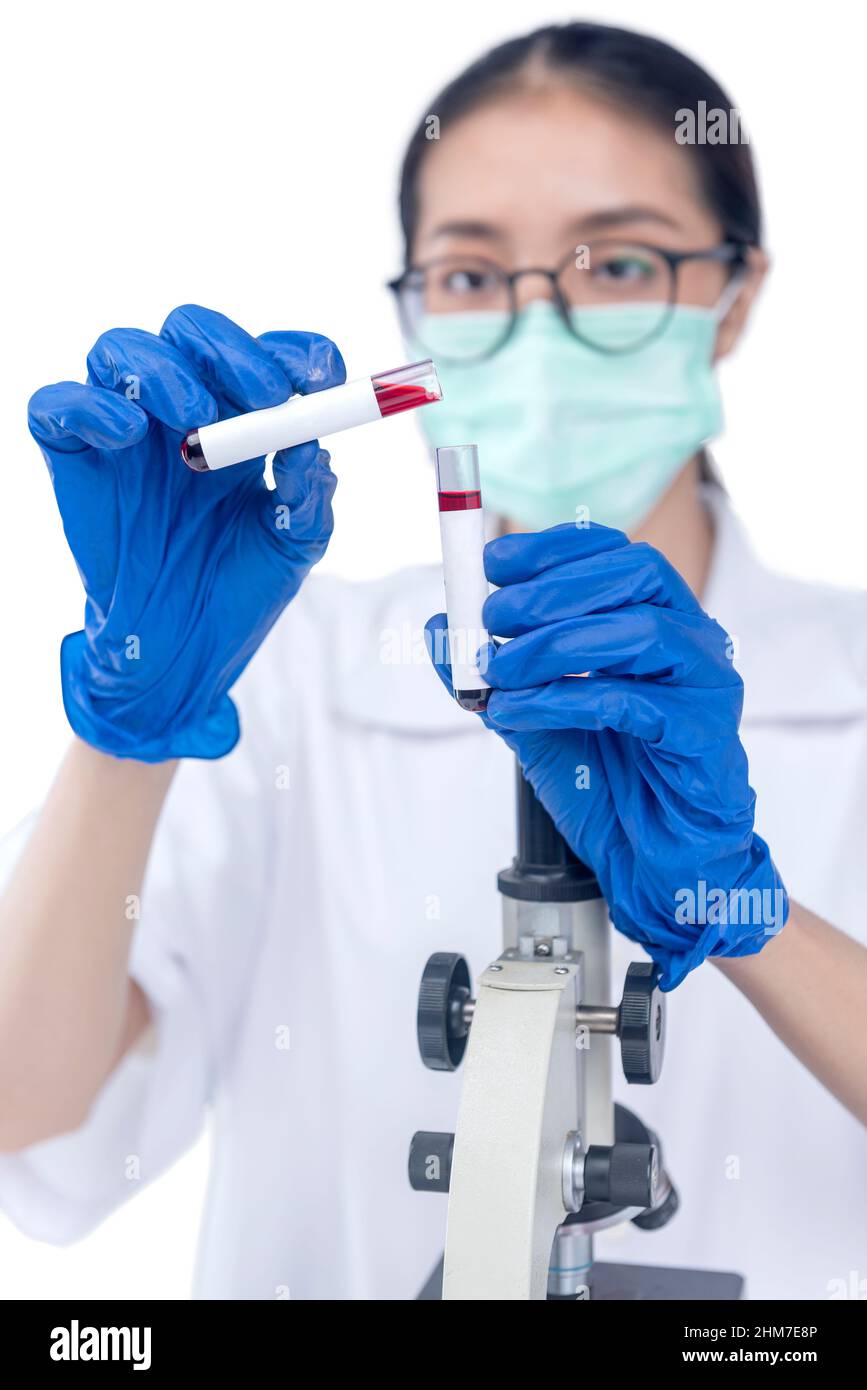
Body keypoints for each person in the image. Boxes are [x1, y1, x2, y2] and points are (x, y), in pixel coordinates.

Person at [1, 21, 865, 1301]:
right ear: (414, 312)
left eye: (615, 262)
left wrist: (749, 909)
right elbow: (30, 1109)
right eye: (470, 276)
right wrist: (132, 732)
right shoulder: (300, 677)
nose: (537, 329)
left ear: (736, 296)